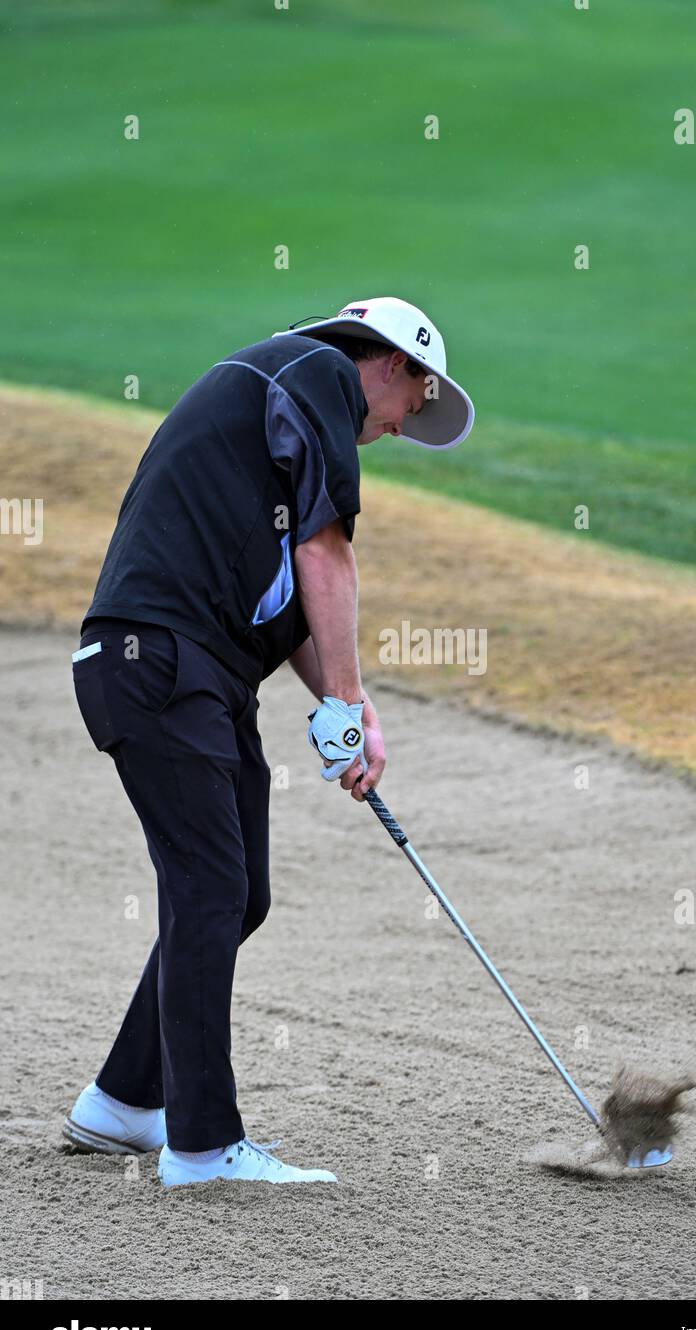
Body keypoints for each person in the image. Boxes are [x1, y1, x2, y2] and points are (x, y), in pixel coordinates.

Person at [63, 297, 474, 1187]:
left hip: (187, 670)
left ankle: (123, 1102)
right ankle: (203, 1147)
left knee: (236, 891)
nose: (405, 426)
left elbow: (291, 611)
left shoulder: (275, 417)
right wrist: (350, 696)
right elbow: (329, 555)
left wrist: (349, 714)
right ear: (387, 364)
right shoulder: (316, 372)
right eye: (417, 400)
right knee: (209, 885)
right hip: (159, 661)